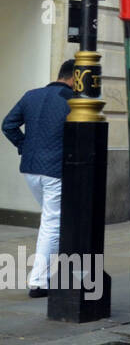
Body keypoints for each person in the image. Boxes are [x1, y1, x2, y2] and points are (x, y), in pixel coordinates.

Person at [2, 60, 76, 297]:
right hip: (55, 170)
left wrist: (24, 146)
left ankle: (58, 271)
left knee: (54, 220)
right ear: (75, 78)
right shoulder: (72, 101)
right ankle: (39, 282)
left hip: (31, 169)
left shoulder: (31, 95)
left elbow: (8, 125)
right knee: (52, 224)